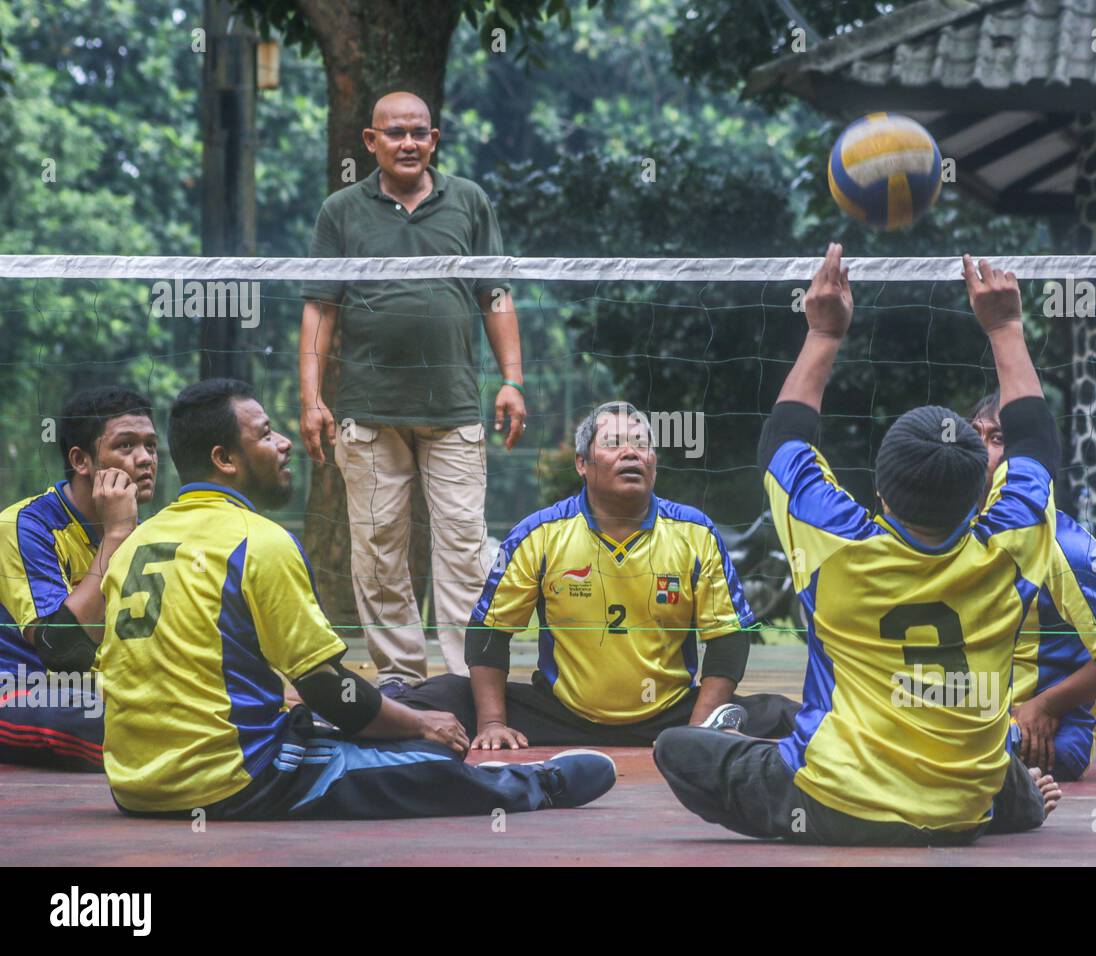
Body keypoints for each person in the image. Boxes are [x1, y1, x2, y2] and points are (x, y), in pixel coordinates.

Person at [655, 246, 1063, 846]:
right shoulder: (1009, 545)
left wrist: (823, 331)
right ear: (984, 492)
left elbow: (782, 441)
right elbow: (1036, 445)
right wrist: (1005, 326)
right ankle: (1014, 797)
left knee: (679, 748)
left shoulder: (838, 547)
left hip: (833, 802)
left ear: (880, 492)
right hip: (961, 811)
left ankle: (785, 757)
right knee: (979, 746)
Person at [97, 379, 614, 820]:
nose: (282, 444)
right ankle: (535, 785)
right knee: (424, 762)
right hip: (229, 782)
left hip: (132, 785)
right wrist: (418, 722)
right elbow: (326, 689)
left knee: (353, 730)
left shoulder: (135, 542)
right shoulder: (257, 540)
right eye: (264, 434)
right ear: (224, 459)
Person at [396, 401, 800, 748]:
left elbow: (730, 640)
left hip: (672, 717)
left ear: (654, 464)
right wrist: (493, 724)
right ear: (581, 464)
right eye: (613, 444)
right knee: (440, 694)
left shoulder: (695, 533)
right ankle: (348, 719)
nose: (631, 453)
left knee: (784, 713)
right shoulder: (540, 533)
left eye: (642, 445)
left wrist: (699, 731)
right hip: (559, 714)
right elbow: (489, 631)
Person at [299, 90, 526, 687]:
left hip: (453, 407)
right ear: (371, 141)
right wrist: (311, 399)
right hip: (368, 411)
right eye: (394, 133)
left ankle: (463, 680)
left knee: (464, 549)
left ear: (434, 139)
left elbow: (495, 293)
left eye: (418, 133)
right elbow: (320, 308)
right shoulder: (341, 210)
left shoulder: (469, 201)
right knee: (377, 549)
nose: (408, 143)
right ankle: (399, 675)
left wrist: (512, 381)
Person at [968, 392, 1096, 780]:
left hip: (1043, 725)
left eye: (998, 439)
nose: (981, 449)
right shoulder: (949, 529)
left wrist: (1046, 706)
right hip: (965, 704)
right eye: (974, 435)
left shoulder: (1065, 549)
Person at [0, 386, 157, 772]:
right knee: (107, 723)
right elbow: (63, 652)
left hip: (99, 689)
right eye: (126, 446)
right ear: (81, 460)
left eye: (151, 446)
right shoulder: (24, 525)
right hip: (28, 690)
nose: (145, 459)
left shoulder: (152, 534)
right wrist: (116, 535)